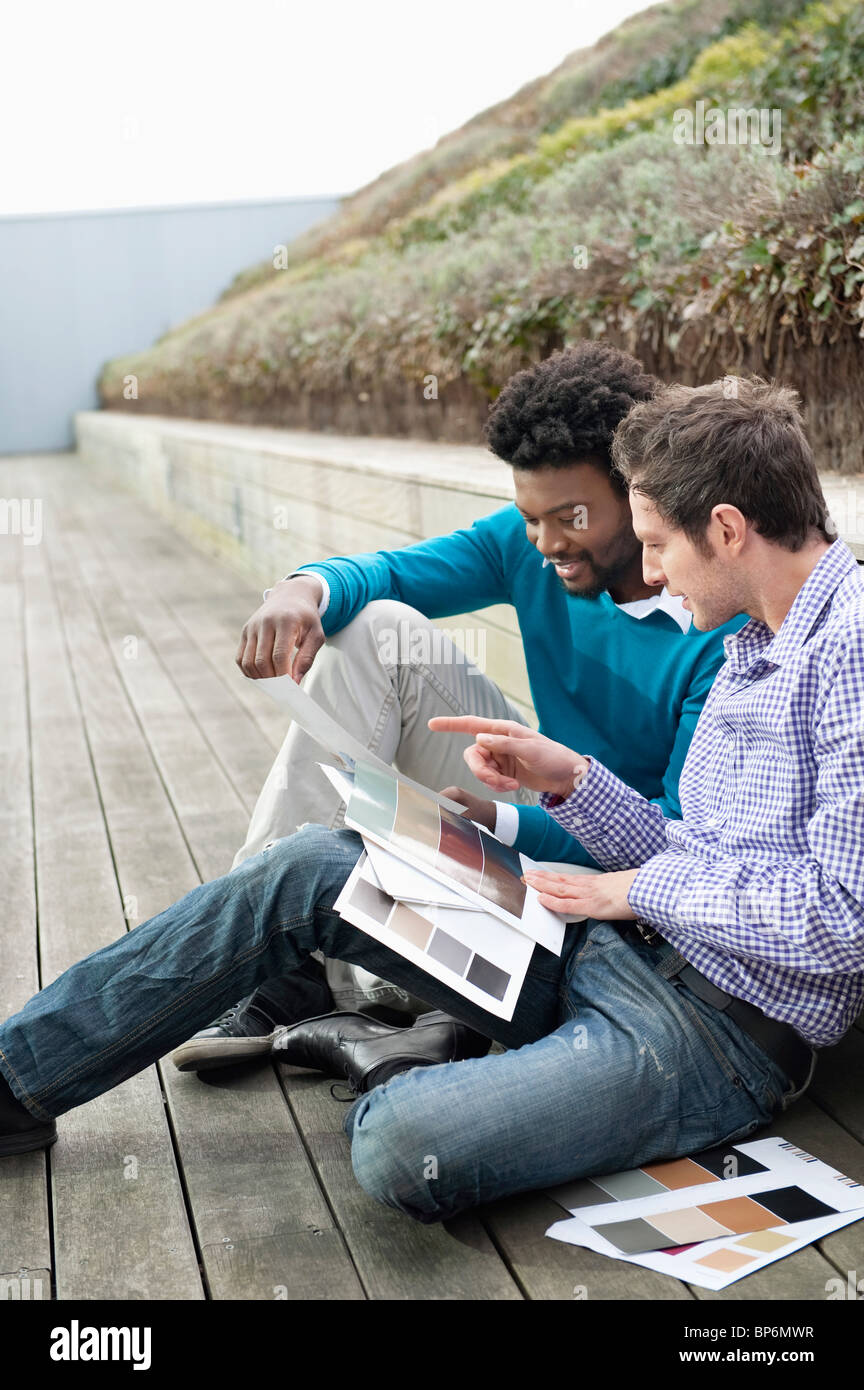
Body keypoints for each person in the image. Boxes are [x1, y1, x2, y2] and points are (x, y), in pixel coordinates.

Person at [1, 376, 859, 1232]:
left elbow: (841, 920)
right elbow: (692, 841)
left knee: (399, 1144)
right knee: (306, 869)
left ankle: (415, 1039)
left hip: (714, 1037)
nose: (658, 574)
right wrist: (570, 781)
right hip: (605, 941)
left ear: (727, 529)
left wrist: (631, 890)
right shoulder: (755, 637)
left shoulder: (845, 657)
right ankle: (14, 1081)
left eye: (661, 545)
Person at [177, 342, 743, 1072]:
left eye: (569, 516)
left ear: (637, 491)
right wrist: (302, 590)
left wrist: (508, 821)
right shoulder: (530, 543)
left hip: (610, 875)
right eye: (529, 517)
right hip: (527, 792)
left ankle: (364, 967)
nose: (545, 544)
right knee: (377, 628)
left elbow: (667, 838)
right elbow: (390, 574)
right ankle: (279, 966)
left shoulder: (718, 631)